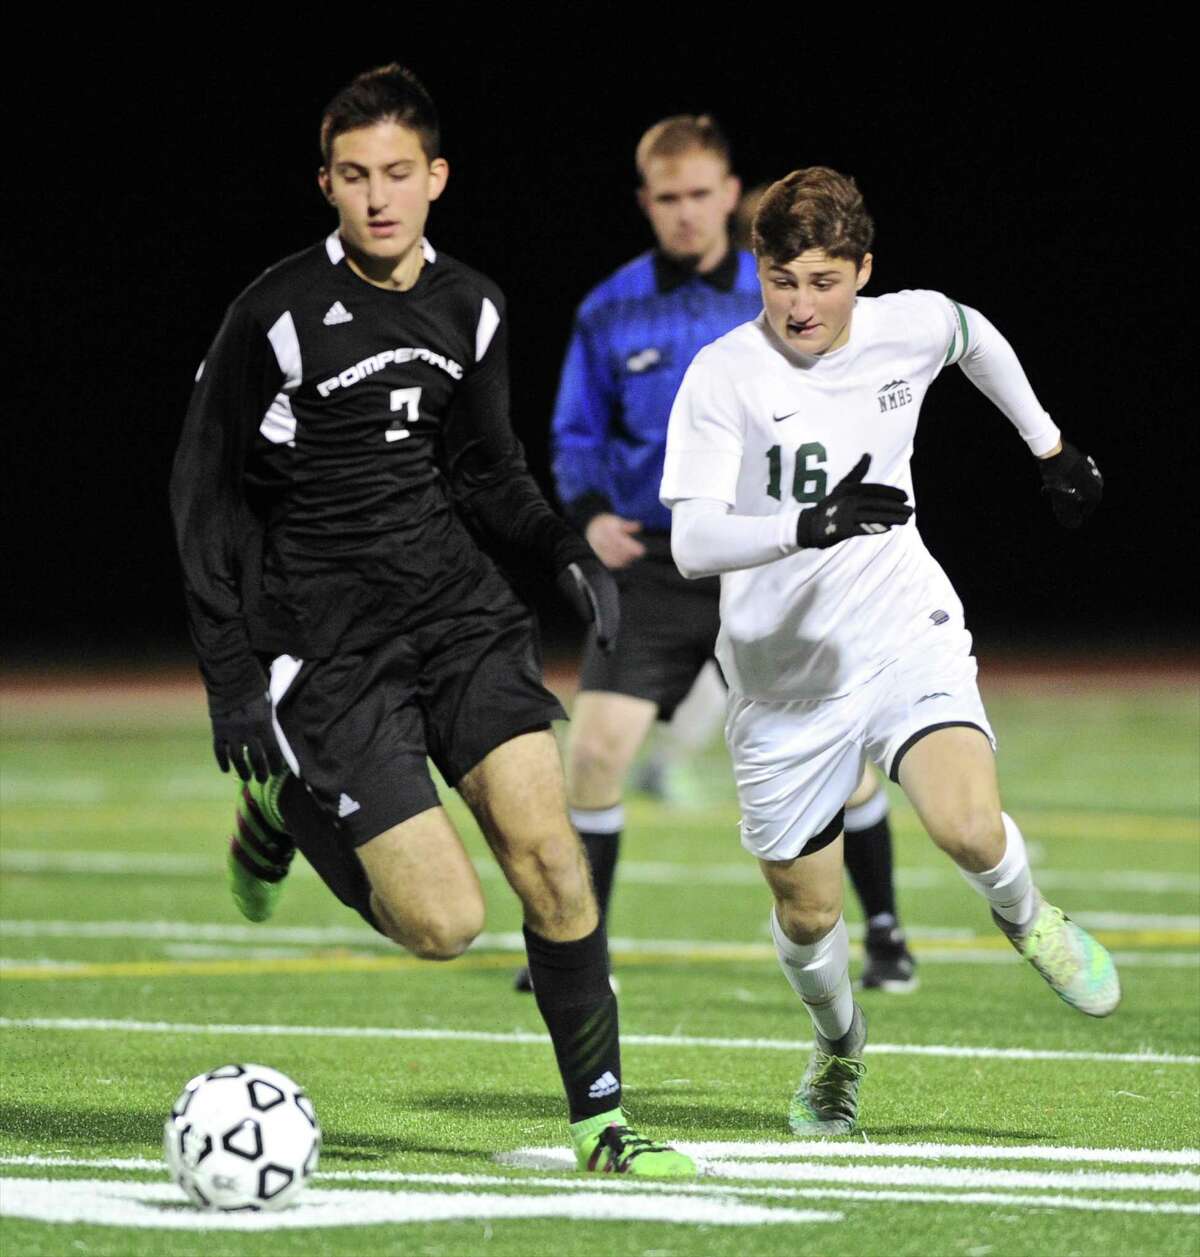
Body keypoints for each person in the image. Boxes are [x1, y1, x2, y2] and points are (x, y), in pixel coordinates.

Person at [170, 63, 693, 1177]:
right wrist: (231, 685)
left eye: (398, 173)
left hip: (460, 619)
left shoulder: (474, 304)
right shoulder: (274, 315)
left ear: (436, 177)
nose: (377, 197)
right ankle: (283, 804)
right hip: (331, 645)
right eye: (354, 176)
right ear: (326, 184)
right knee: (443, 926)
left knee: (554, 863)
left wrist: (560, 551)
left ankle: (603, 1124)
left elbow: (486, 466)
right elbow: (203, 504)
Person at [660, 165, 1118, 1136]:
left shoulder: (905, 323)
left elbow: (972, 335)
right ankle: (838, 1050)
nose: (801, 304)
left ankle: (1030, 917)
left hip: (902, 631)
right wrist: (805, 526)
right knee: (812, 918)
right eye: (783, 280)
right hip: (784, 683)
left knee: (966, 825)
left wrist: (1049, 447)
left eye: (824, 281)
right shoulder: (723, 375)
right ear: (759, 269)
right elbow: (693, 542)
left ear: (863, 271)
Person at [529, 116, 916, 996]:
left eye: (702, 194)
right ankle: (579, 944)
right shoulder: (609, 308)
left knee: (841, 760)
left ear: (732, 196)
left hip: (775, 555)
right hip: (659, 562)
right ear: (646, 203)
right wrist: (588, 513)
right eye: (668, 198)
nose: (686, 213)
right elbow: (575, 431)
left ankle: (887, 930)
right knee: (590, 755)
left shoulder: (780, 288)